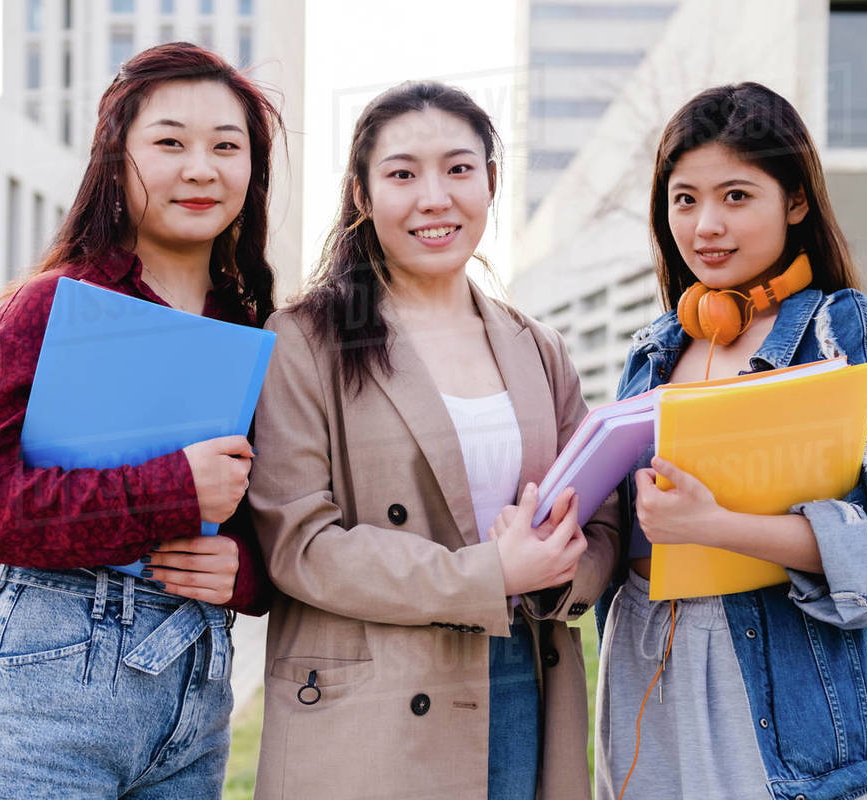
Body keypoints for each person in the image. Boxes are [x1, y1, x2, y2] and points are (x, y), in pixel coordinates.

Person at [246, 81, 619, 799]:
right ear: (361, 192)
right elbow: (299, 543)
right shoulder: (303, 341)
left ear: (491, 182)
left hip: (521, 683)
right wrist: (492, 573)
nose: (434, 197)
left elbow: (600, 519)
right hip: (373, 701)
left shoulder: (539, 348)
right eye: (402, 174)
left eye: (457, 168)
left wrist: (560, 567)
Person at [595, 82, 867, 800]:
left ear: (795, 202)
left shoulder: (843, 331)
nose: (706, 225)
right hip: (644, 660)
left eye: (737, 196)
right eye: (685, 199)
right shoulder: (654, 351)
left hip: (778, 673)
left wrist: (714, 526)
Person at [0, 43, 283, 798]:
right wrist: (173, 493)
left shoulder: (255, 332)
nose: (201, 168)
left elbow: (265, 520)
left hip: (196, 694)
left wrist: (243, 573)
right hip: (47, 693)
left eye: (228, 146)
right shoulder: (51, 306)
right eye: (169, 142)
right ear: (115, 159)